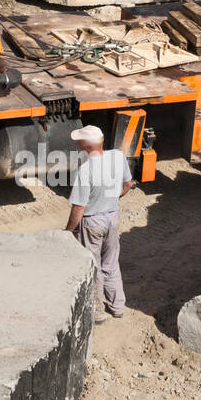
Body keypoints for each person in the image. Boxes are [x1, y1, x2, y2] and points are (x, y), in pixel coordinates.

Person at [64, 124, 134, 322]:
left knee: (93, 265)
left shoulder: (85, 170)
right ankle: (118, 306)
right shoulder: (118, 157)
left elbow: (79, 207)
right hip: (112, 217)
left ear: (86, 147)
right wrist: (112, 198)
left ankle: (97, 310)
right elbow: (128, 184)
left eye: (79, 142)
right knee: (111, 263)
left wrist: (68, 231)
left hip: (92, 223)